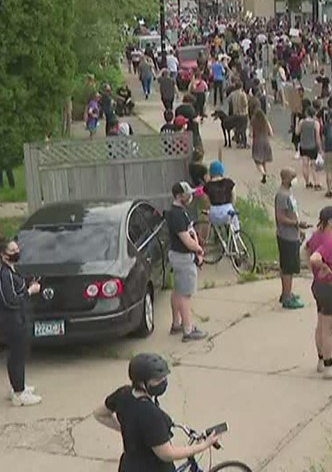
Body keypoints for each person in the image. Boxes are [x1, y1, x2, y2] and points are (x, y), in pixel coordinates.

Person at [93, 353, 222, 471]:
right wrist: (204, 445)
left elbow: (99, 414)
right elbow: (167, 454)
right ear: (142, 383)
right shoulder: (151, 414)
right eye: (157, 380)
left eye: (164, 378)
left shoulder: (123, 394)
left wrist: (128, 429)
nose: (163, 382)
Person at [0, 236, 42, 406]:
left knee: (21, 352)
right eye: (12, 251)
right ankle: (18, 394)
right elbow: (9, 300)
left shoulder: (12, 269)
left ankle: (18, 385)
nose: (17, 252)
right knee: (17, 355)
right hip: (11, 321)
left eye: (17, 249)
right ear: (3, 255)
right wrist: (29, 291)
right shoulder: (2, 274)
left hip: (19, 318)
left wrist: (30, 283)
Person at [306, 206, 332, 379]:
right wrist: (324, 267)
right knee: (328, 328)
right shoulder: (328, 240)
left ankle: (321, 360)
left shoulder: (316, 235)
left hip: (318, 285)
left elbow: (306, 249)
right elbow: (314, 257)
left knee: (320, 324)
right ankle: (329, 366)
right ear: (330, 221)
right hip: (330, 287)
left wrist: (313, 271)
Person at [164, 182, 207, 341]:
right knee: (185, 294)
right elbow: (186, 240)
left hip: (177, 256)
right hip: (183, 257)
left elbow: (190, 233)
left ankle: (177, 323)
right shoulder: (177, 215)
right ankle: (188, 330)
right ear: (179, 196)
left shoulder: (178, 212)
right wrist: (199, 250)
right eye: (187, 194)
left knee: (177, 290)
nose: (190, 197)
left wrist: (196, 243)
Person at [275, 168, 308, 310]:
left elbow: (292, 213)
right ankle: (287, 298)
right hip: (286, 236)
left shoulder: (289, 193)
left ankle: (287, 292)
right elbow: (280, 217)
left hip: (293, 234)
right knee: (288, 267)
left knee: (290, 266)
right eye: (293, 176)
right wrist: (296, 224)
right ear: (286, 178)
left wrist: (298, 229)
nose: (295, 179)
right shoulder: (282, 195)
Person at [297, 108, 322, 190]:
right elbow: (317, 137)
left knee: (305, 165)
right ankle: (316, 183)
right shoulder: (315, 124)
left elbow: (297, 132)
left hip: (303, 146)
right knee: (313, 166)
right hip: (312, 146)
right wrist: (319, 148)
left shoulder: (301, 122)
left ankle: (307, 183)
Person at [250, 106, 274, 184]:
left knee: (257, 161)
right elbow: (271, 133)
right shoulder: (266, 121)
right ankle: (265, 175)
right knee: (264, 159)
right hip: (266, 141)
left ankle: (263, 173)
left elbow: (250, 134)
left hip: (257, 142)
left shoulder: (253, 121)